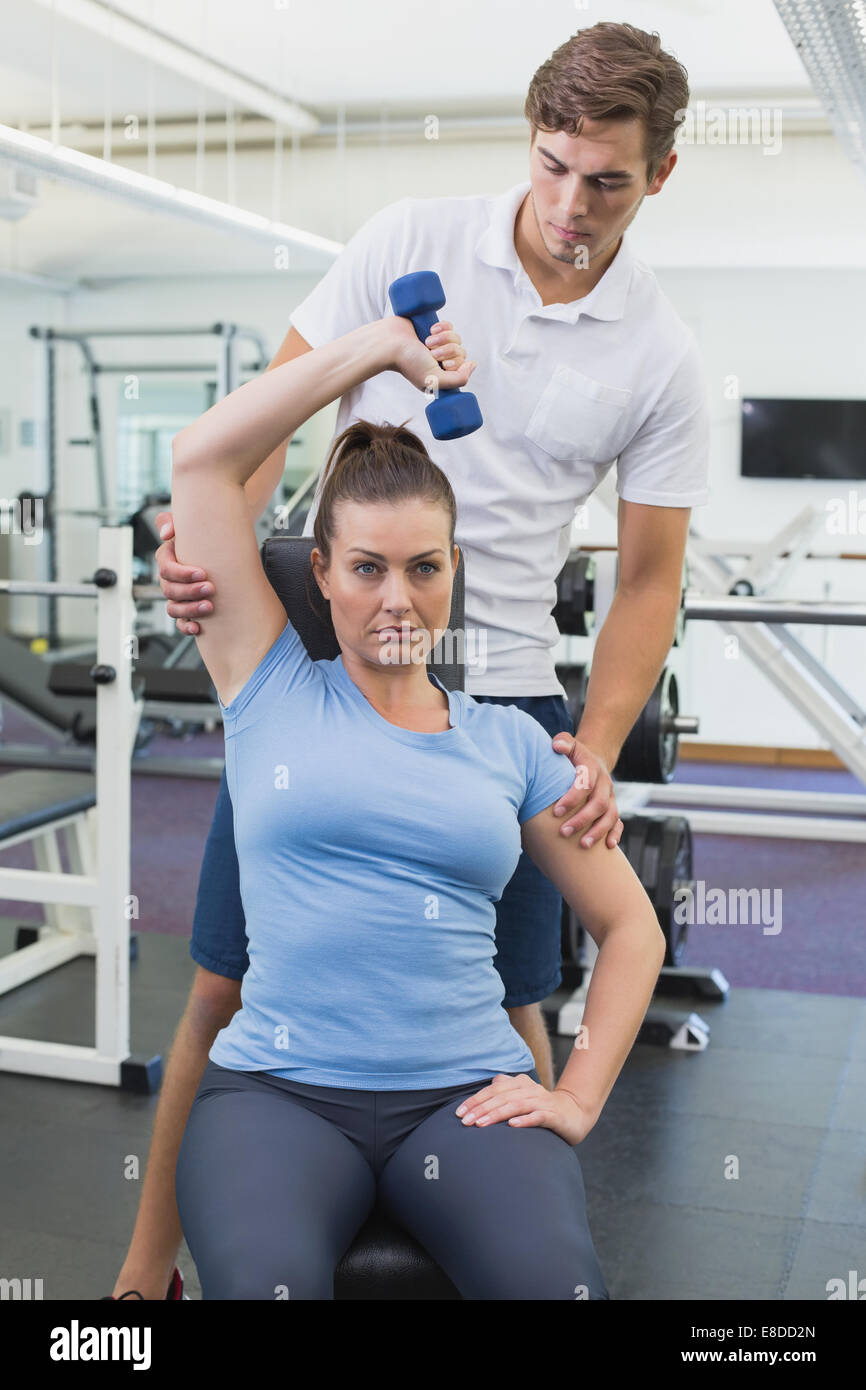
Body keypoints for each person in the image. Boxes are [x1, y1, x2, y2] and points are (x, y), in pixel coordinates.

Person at [109, 20, 708, 1299]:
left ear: (656, 176)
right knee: (226, 979)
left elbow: (647, 579)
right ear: (528, 142)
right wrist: (203, 559)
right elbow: (245, 439)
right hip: (321, 645)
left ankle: (513, 1194)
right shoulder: (404, 242)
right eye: (550, 165)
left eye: (603, 181)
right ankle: (145, 1266)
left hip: (495, 678)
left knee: (515, 990)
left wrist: (592, 750)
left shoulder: (658, 354)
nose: (566, 204)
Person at [167, 310, 666, 1299]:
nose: (397, 598)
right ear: (320, 573)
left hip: (464, 1094)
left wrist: (573, 1096)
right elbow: (203, 459)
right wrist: (379, 350)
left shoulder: (512, 744)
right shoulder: (267, 684)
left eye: (423, 567)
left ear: (451, 571)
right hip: (278, 1093)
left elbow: (629, 926)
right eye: (366, 567)